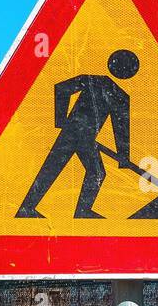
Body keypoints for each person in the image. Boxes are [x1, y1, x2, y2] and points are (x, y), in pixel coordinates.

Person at [16, 49, 140, 219]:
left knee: (60, 169)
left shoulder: (98, 83)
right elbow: (121, 128)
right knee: (78, 170)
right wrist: (61, 122)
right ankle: (77, 211)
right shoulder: (116, 93)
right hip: (75, 133)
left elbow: (121, 127)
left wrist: (123, 157)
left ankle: (31, 208)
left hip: (82, 136)